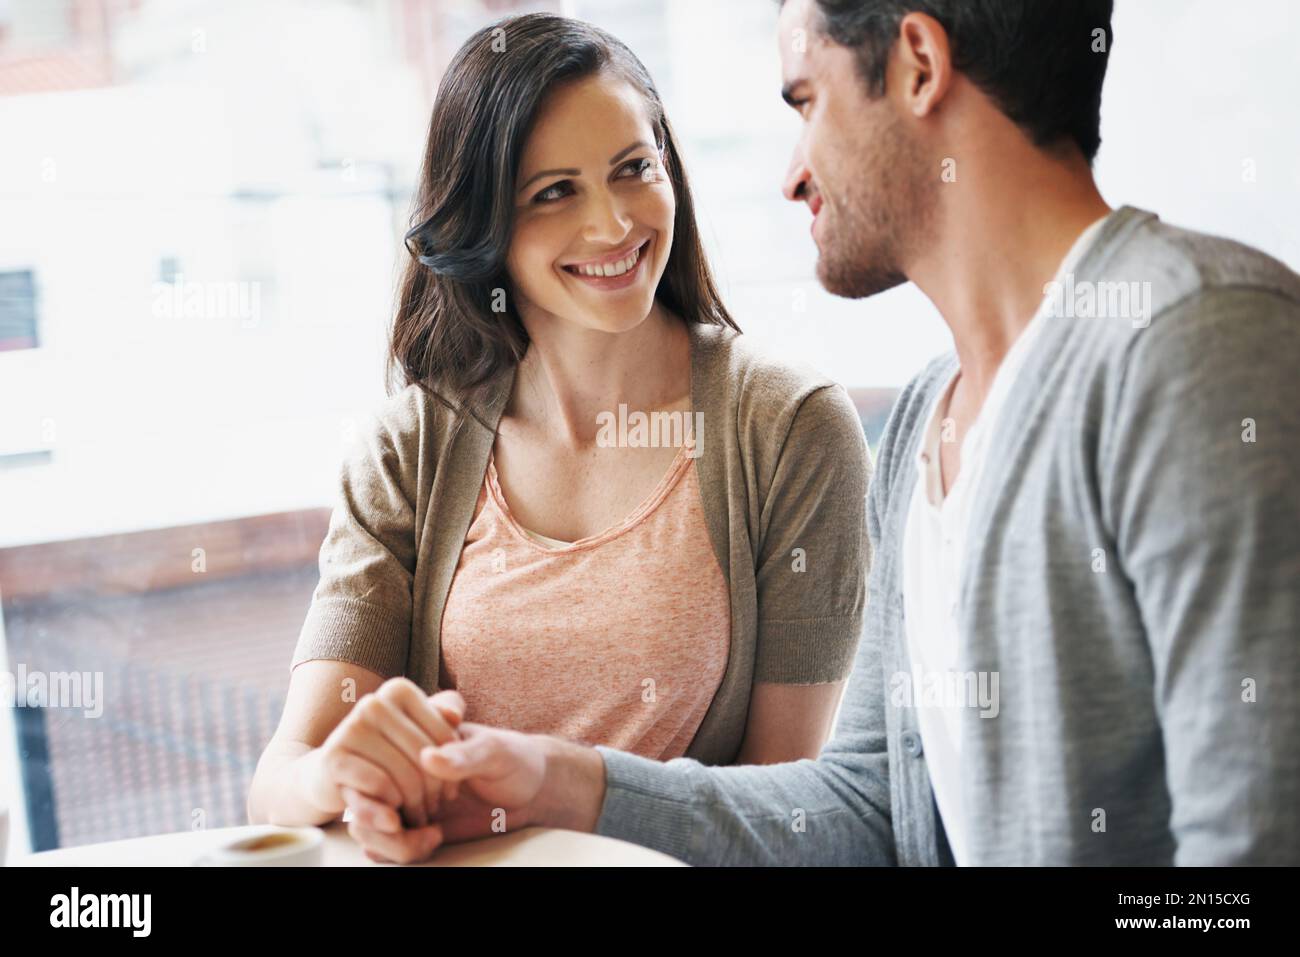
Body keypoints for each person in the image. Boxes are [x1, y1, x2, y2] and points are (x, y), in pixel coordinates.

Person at [390, 0, 1300, 865]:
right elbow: (871, 807)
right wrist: (562, 781)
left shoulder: (1199, 344)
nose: (793, 174)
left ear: (917, 66)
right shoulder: (922, 424)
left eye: (806, 100)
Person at [245, 12, 873, 862]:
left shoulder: (790, 431)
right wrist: (342, 776)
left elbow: (781, 807)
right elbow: (282, 776)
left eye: (632, 170)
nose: (613, 225)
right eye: (554, 193)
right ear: (485, 226)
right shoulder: (409, 453)